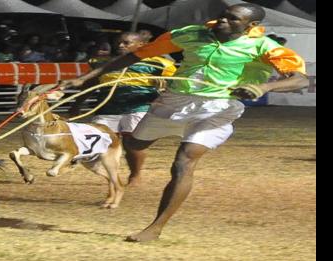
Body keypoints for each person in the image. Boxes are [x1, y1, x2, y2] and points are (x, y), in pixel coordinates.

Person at [60, 3, 307, 242]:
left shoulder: (265, 47)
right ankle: (133, 163)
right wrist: (85, 78)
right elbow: (134, 56)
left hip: (217, 108)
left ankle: (155, 228)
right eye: (224, 15)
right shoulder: (190, 34)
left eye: (233, 19)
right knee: (134, 143)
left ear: (251, 25)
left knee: (184, 161)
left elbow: (300, 80)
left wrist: (264, 86)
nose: (223, 20)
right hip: (173, 102)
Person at [82, 31, 175, 184]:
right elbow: (89, 84)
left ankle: (135, 175)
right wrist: (77, 104)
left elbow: (177, 85)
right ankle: (110, 175)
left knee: (132, 143)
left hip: (139, 106)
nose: (120, 46)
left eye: (126, 43)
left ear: (141, 45)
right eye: (118, 42)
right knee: (101, 141)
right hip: (107, 108)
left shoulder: (159, 63)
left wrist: (165, 85)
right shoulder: (101, 63)